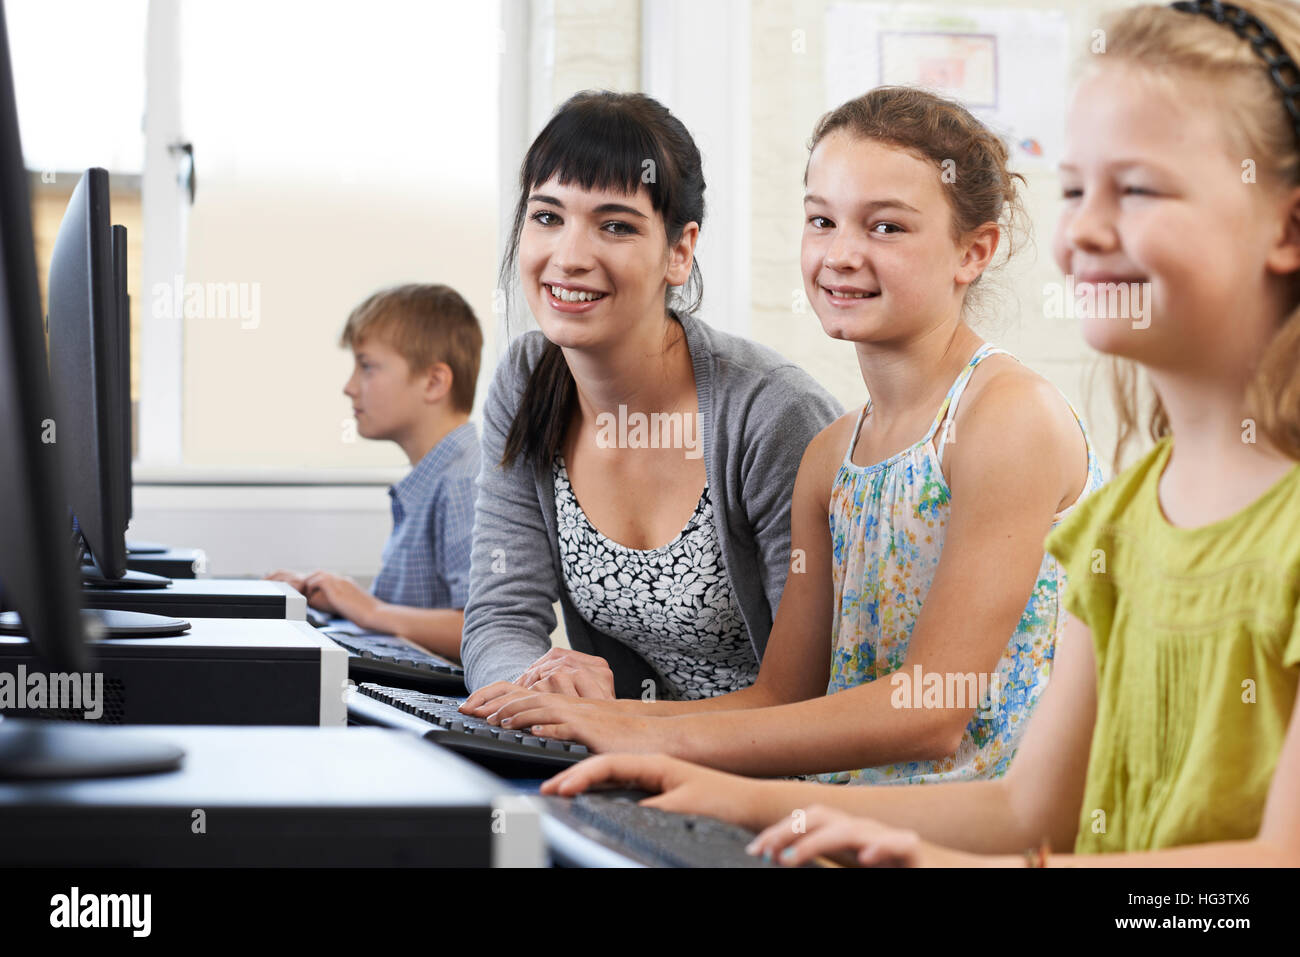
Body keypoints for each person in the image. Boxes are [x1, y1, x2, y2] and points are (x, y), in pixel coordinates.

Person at [543, 0, 1300, 866]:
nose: (1081, 230)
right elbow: (1026, 814)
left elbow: (948, 730)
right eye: (1078, 188)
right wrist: (720, 790)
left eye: (1136, 189)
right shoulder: (1122, 518)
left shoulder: (1008, 420)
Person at [471, 86, 1104, 784]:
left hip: (974, 830)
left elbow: (932, 710)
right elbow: (781, 697)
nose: (841, 254)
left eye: (886, 227)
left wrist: (632, 732)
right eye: (822, 221)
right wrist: (601, 721)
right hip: (848, 817)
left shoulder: (1006, 419)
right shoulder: (831, 457)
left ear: (973, 252)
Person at [459, 90, 843, 701]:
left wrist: (625, 731)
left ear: (680, 250)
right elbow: (500, 618)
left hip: (772, 774)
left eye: (614, 225)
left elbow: (815, 697)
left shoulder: (773, 416)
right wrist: (540, 686)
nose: (570, 257)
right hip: (628, 761)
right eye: (548, 216)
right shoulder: (528, 379)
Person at [267, 283, 482, 661]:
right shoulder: (433, 476)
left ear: (433, 382)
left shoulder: (466, 479)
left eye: (366, 367)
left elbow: (482, 630)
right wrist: (336, 599)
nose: (349, 387)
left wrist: (370, 611)